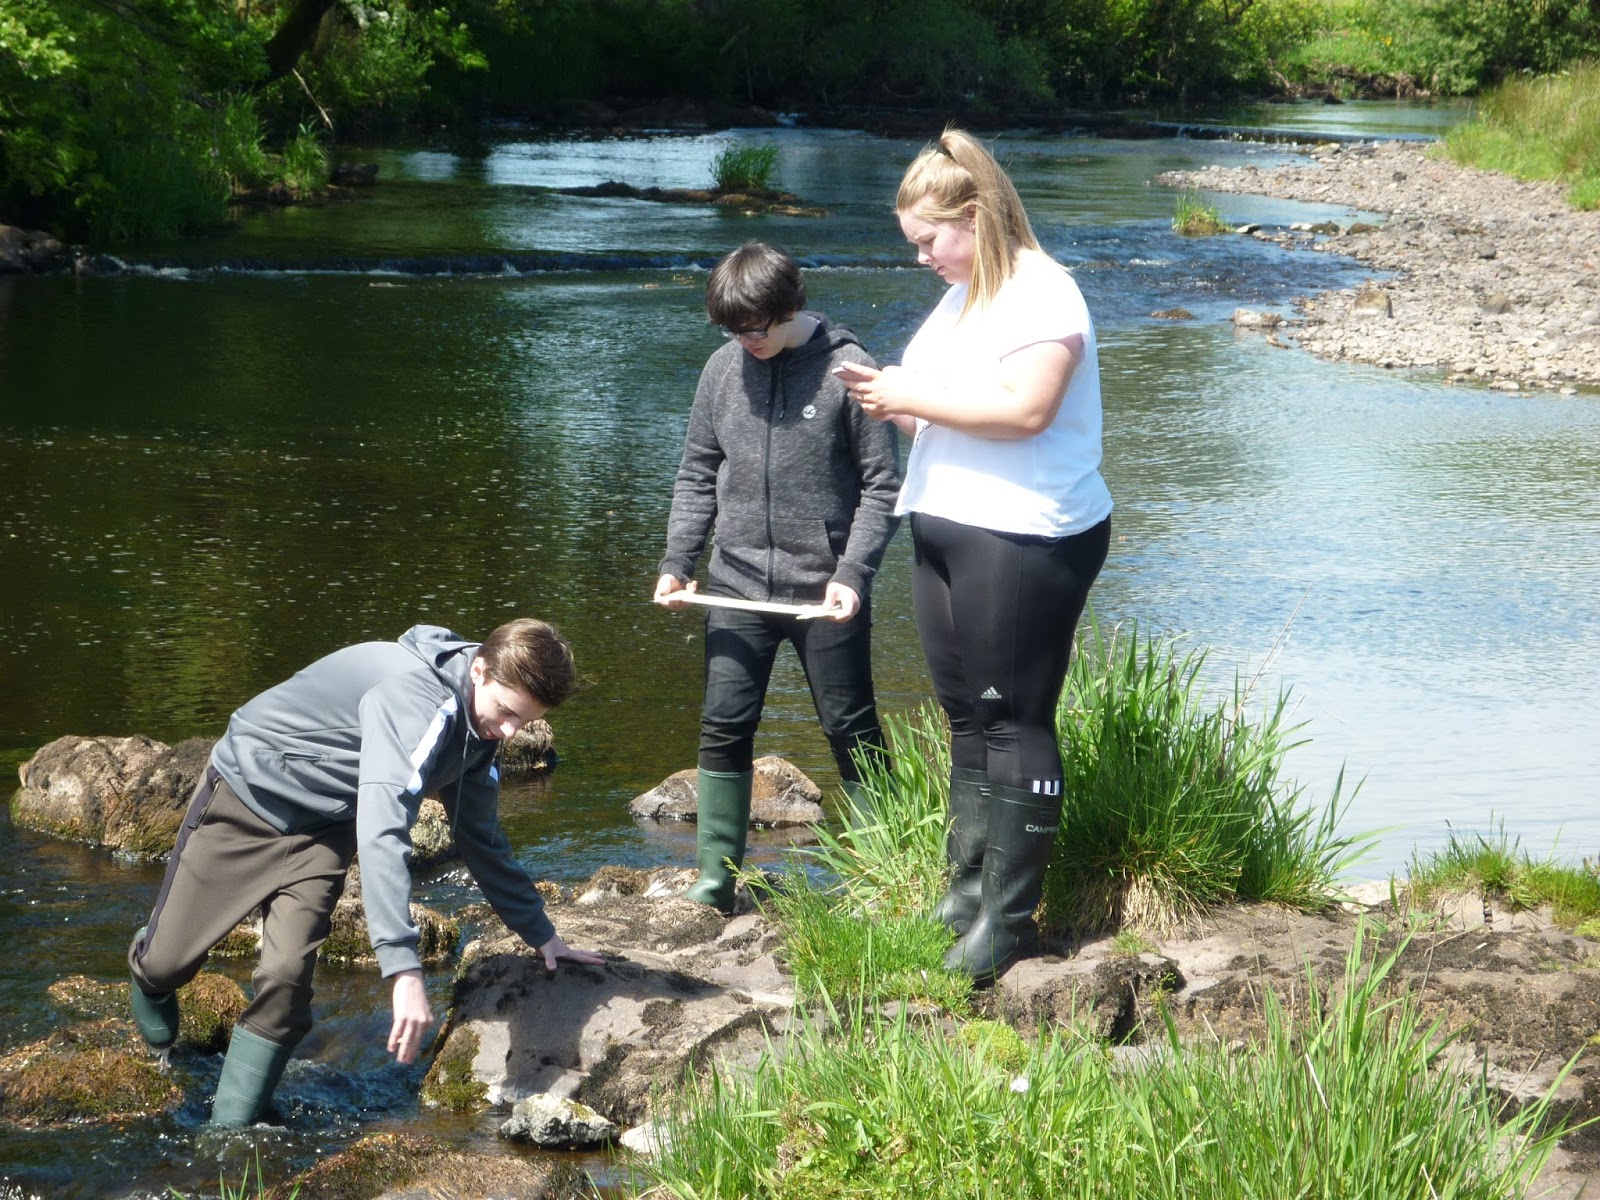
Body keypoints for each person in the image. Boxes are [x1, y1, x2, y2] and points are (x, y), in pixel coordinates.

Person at [126, 619, 605, 1127]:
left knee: (286, 986)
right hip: (245, 799)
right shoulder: (416, 701)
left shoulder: (479, 730)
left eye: (524, 722)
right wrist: (403, 969)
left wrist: (541, 933)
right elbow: (383, 830)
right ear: (479, 671)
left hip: (323, 831)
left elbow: (480, 838)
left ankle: (229, 1137)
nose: (509, 732)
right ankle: (151, 969)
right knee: (167, 965)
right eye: (507, 713)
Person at [838, 129, 1113, 984]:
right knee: (966, 716)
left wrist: (910, 394)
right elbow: (949, 414)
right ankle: (963, 898)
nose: (921, 256)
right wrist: (892, 406)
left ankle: (1009, 922)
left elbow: (1027, 411)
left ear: (974, 215)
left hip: (1027, 532)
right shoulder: (961, 296)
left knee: (1011, 718)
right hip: (948, 522)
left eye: (928, 239)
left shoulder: (1042, 292)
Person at [654, 241, 902, 913]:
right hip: (733, 582)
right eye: (733, 331)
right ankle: (715, 880)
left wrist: (853, 572)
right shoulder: (722, 370)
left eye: (755, 329)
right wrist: (678, 563)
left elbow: (884, 488)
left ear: (789, 307)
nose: (746, 342)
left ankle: (898, 867)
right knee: (723, 725)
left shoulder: (850, 372)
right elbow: (697, 473)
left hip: (825, 592)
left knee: (851, 727)